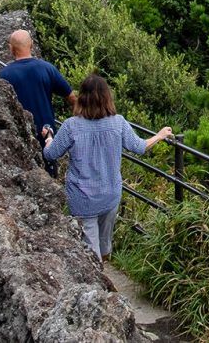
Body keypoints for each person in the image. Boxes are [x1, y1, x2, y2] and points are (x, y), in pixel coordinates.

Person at [43, 74, 171, 261]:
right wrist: (159, 135)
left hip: (82, 197)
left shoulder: (71, 126)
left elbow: (51, 154)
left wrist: (49, 140)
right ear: (107, 97)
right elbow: (139, 147)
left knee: (90, 252)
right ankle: (106, 276)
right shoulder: (118, 122)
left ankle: (98, 283)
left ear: (82, 98)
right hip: (110, 193)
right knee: (104, 243)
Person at [0, 30, 76, 176]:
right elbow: (71, 97)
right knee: (49, 176)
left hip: (19, 137)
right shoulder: (47, 69)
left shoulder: (3, 75)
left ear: (11, 48)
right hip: (47, 135)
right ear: (32, 45)